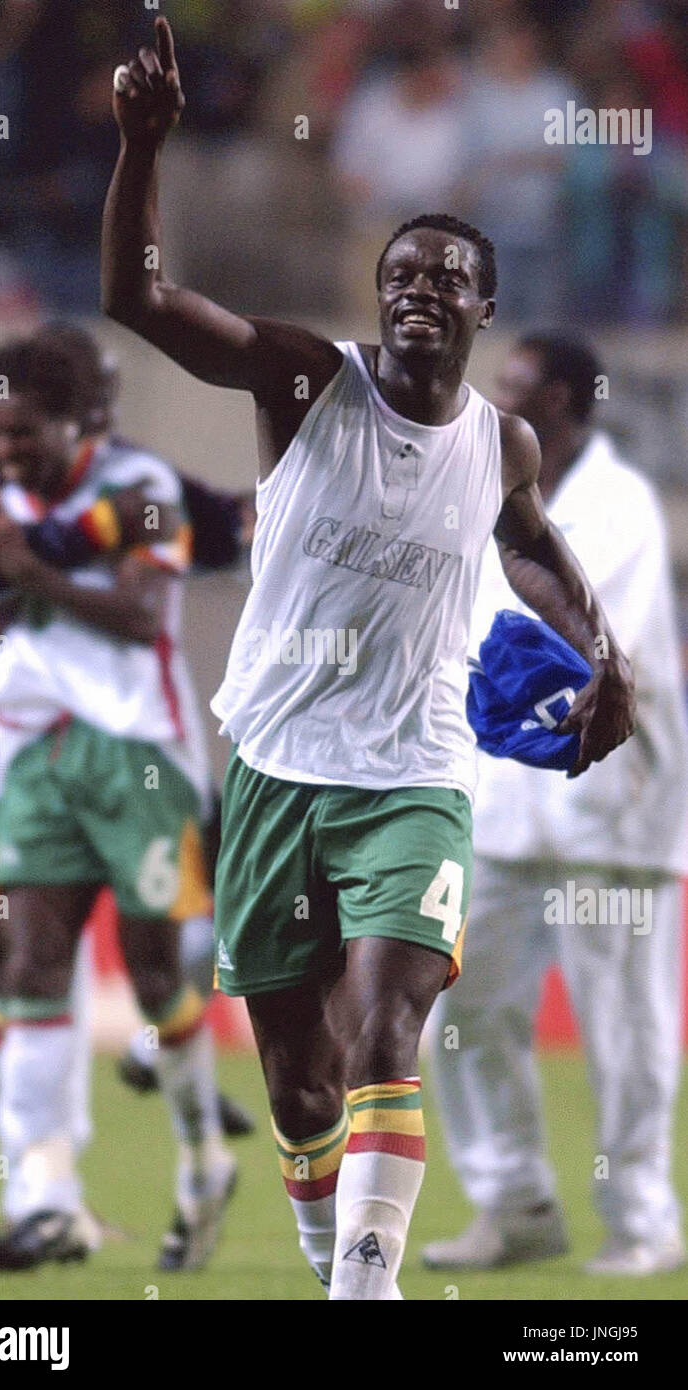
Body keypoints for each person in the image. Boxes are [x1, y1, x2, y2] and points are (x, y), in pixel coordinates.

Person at [101, 18, 635, 1300]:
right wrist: (140, 149)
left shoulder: (499, 444)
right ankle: (318, 1246)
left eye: (447, 275)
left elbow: (532, 547)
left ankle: (364, 1286)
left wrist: (599, 651)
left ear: (482, 308)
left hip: (413, 777)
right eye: (401, 269)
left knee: (389, 1024)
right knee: (299, 1079)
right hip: (278, 771)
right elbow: (137, 301)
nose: (417, 286)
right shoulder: (300, 383)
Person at [0, 331, 237, 1272]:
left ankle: (203, 1159)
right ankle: (49, 1195)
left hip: (138, 758)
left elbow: (145, 612)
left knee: (153, 978)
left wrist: (28, 574)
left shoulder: (144, 487)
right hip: (32, 758)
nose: (6, 451)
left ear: (77, 421)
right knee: (29, 968)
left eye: (23, 434)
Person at [422, 335, 688, 1277]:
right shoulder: (488, 496)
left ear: (568, 404)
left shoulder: (619, 507)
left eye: (520, 392)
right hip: (499, 808)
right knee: (458, 1009)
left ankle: (645, 1216)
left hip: (611, 810)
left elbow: (550, 633)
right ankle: (515, 1201)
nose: (499, 405)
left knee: (623, 1027)